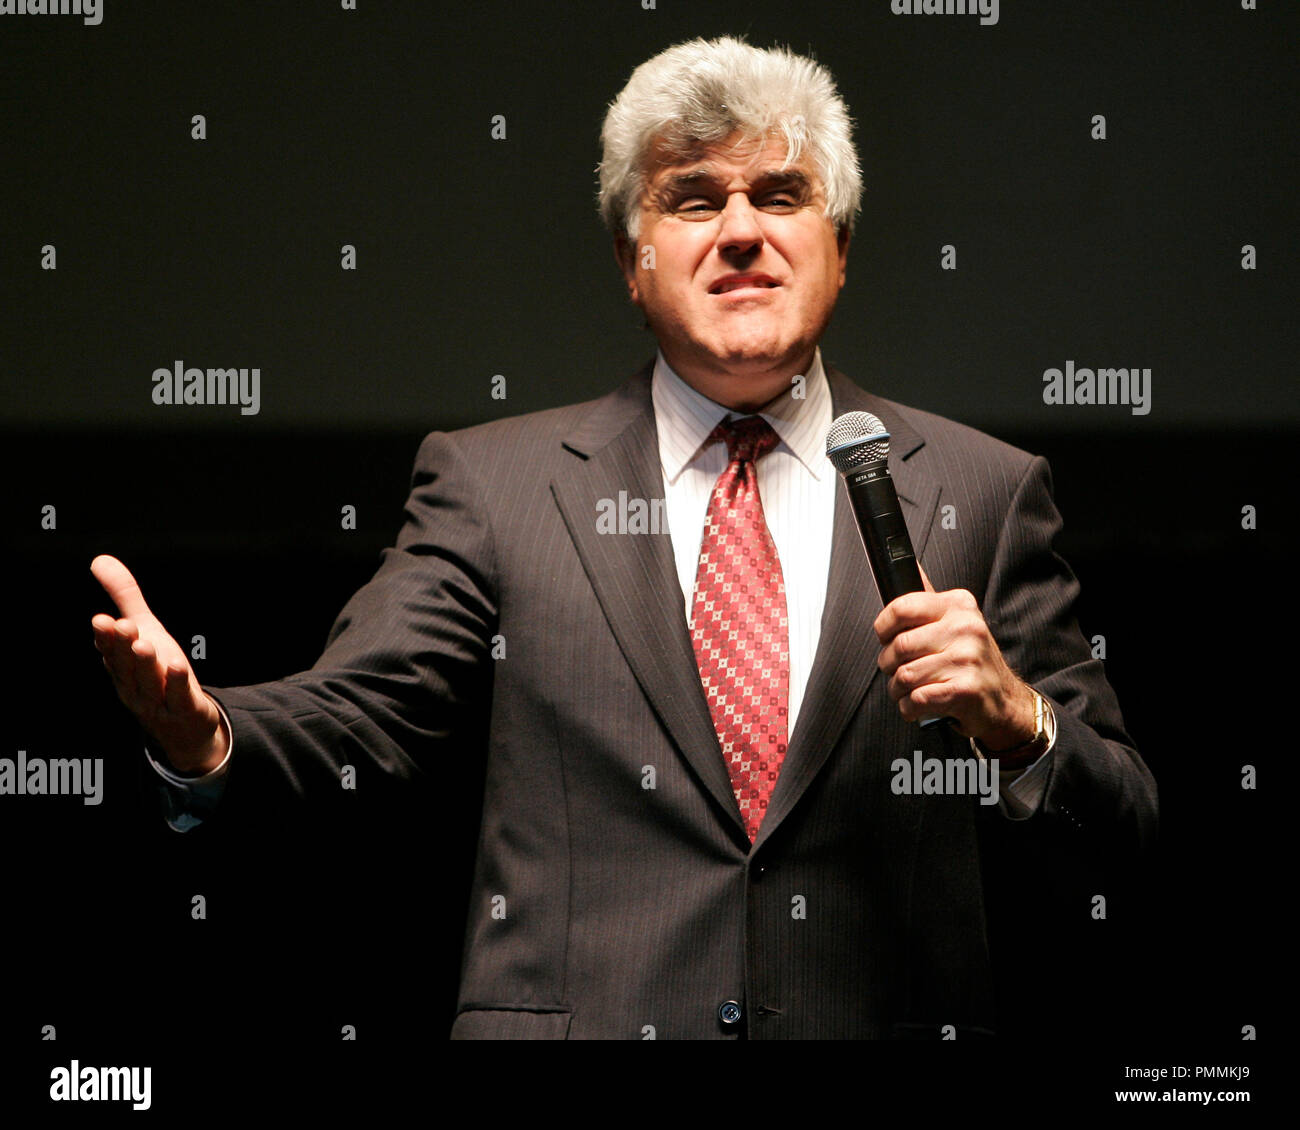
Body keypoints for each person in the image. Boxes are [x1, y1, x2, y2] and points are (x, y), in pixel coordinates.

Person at [91, 36, 1157, 1039]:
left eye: (780, 195)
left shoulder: (984, 486)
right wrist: (208, 730)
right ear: (631, 261)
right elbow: (365, 708)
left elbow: (1125, 826)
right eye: (693, 199)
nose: (741, 228)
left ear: (838, 249)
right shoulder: (497, 484)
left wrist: (1019, 719)